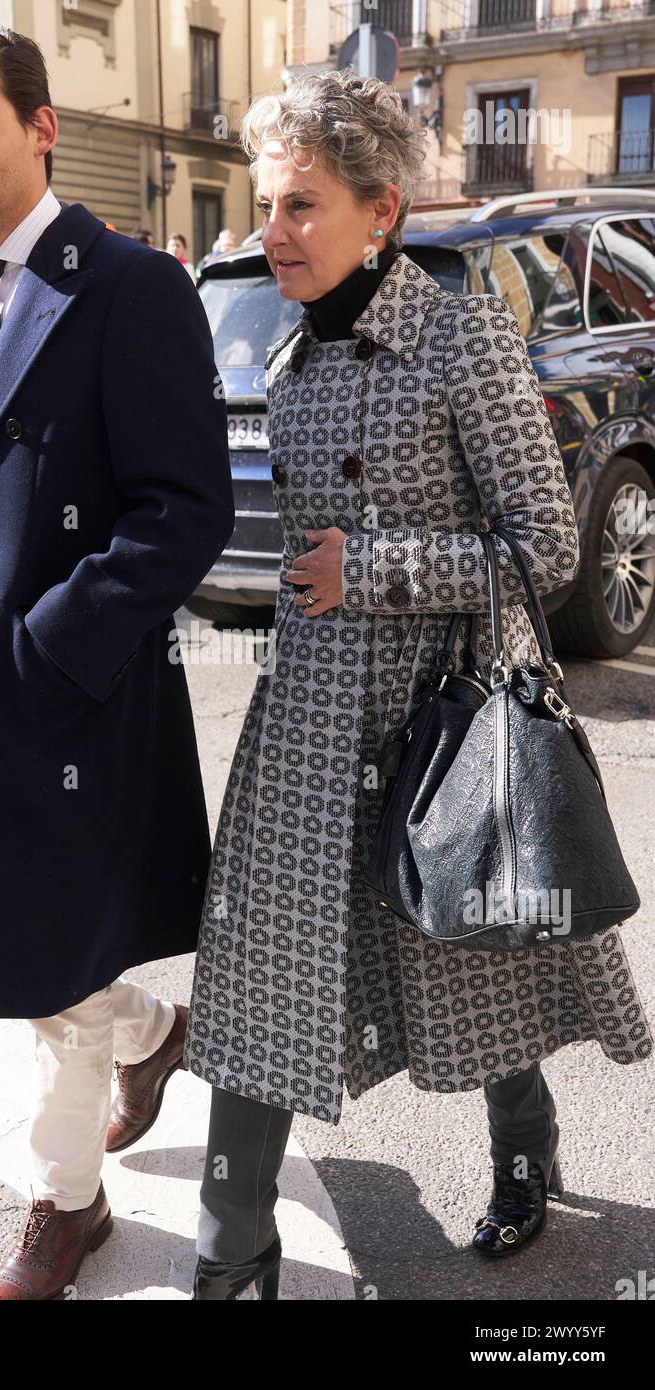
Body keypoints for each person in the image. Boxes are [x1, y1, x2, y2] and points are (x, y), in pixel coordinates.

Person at [182, 70, 654, 1299]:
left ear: (379, 211)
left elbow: (542, 548)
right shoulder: (288, 353)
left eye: (301, 205)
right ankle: (230, 1254)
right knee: (262, 976)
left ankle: (523, 1142)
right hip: (306, 719)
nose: (272, 230)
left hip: (443, 712)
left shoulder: (459, 337)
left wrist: (375, 568)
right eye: (265, 204)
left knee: (471, 952)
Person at [0, 22, 233, 1300]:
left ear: (41, 128)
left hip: (68, 694)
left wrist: (51, 645)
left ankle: (64, 1203)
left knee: (42, 946)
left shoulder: (131, 285)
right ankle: (150, 1035)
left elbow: (183, 509)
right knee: (27, 942)